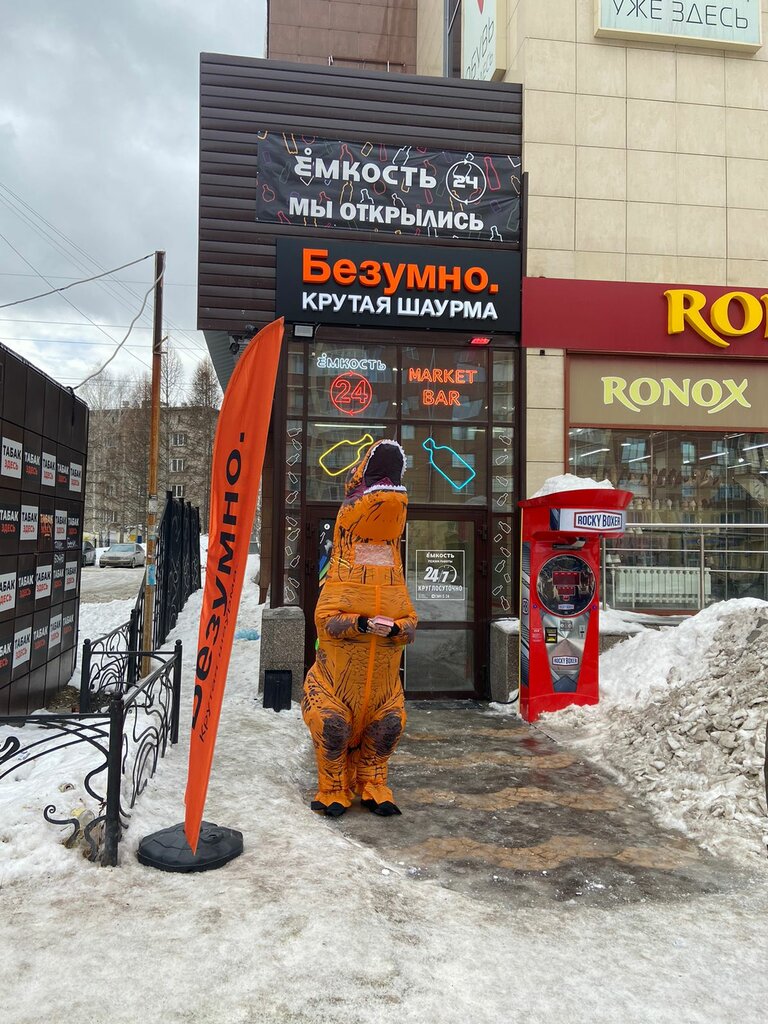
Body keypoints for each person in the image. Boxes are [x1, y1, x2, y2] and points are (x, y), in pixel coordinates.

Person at [302, 440, 417, 818]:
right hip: (335, 687)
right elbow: (325, 619)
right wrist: (362, 623)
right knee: (332, 728)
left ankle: (373, 782)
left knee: (389, 726)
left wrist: (398, 629)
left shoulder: (394, 566)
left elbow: (410, 622)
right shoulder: (342, 564)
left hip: (383, 691)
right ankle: (333, 787)